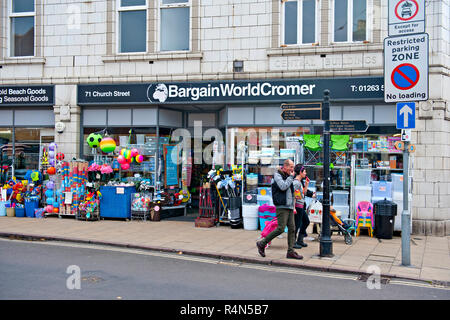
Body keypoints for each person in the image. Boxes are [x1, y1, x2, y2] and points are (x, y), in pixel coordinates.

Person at [256, 159, 303, 260]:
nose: (292, 169)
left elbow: (289, 190)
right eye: (291, 167)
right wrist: (291, 177)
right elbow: (283, 186)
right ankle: (262, 243)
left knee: (292, 228)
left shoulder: (287, 176)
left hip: (289, 206)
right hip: (282, 206)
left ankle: (290, 251)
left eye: (293, 167)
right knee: (280, 228)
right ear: (285, 167)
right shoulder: (277, 175)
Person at [293, 164, 315, 249]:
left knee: (306, 222)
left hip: (301, 206)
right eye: (304, 171)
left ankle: (300, 240)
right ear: (300, 172)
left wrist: (306, 184)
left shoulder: (300, 182)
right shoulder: (296, 183)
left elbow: (303, 193)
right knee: (296, 225)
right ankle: (293, 242)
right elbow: (295, 196)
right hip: (298, 206)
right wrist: (294, 207)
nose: (305, 173)